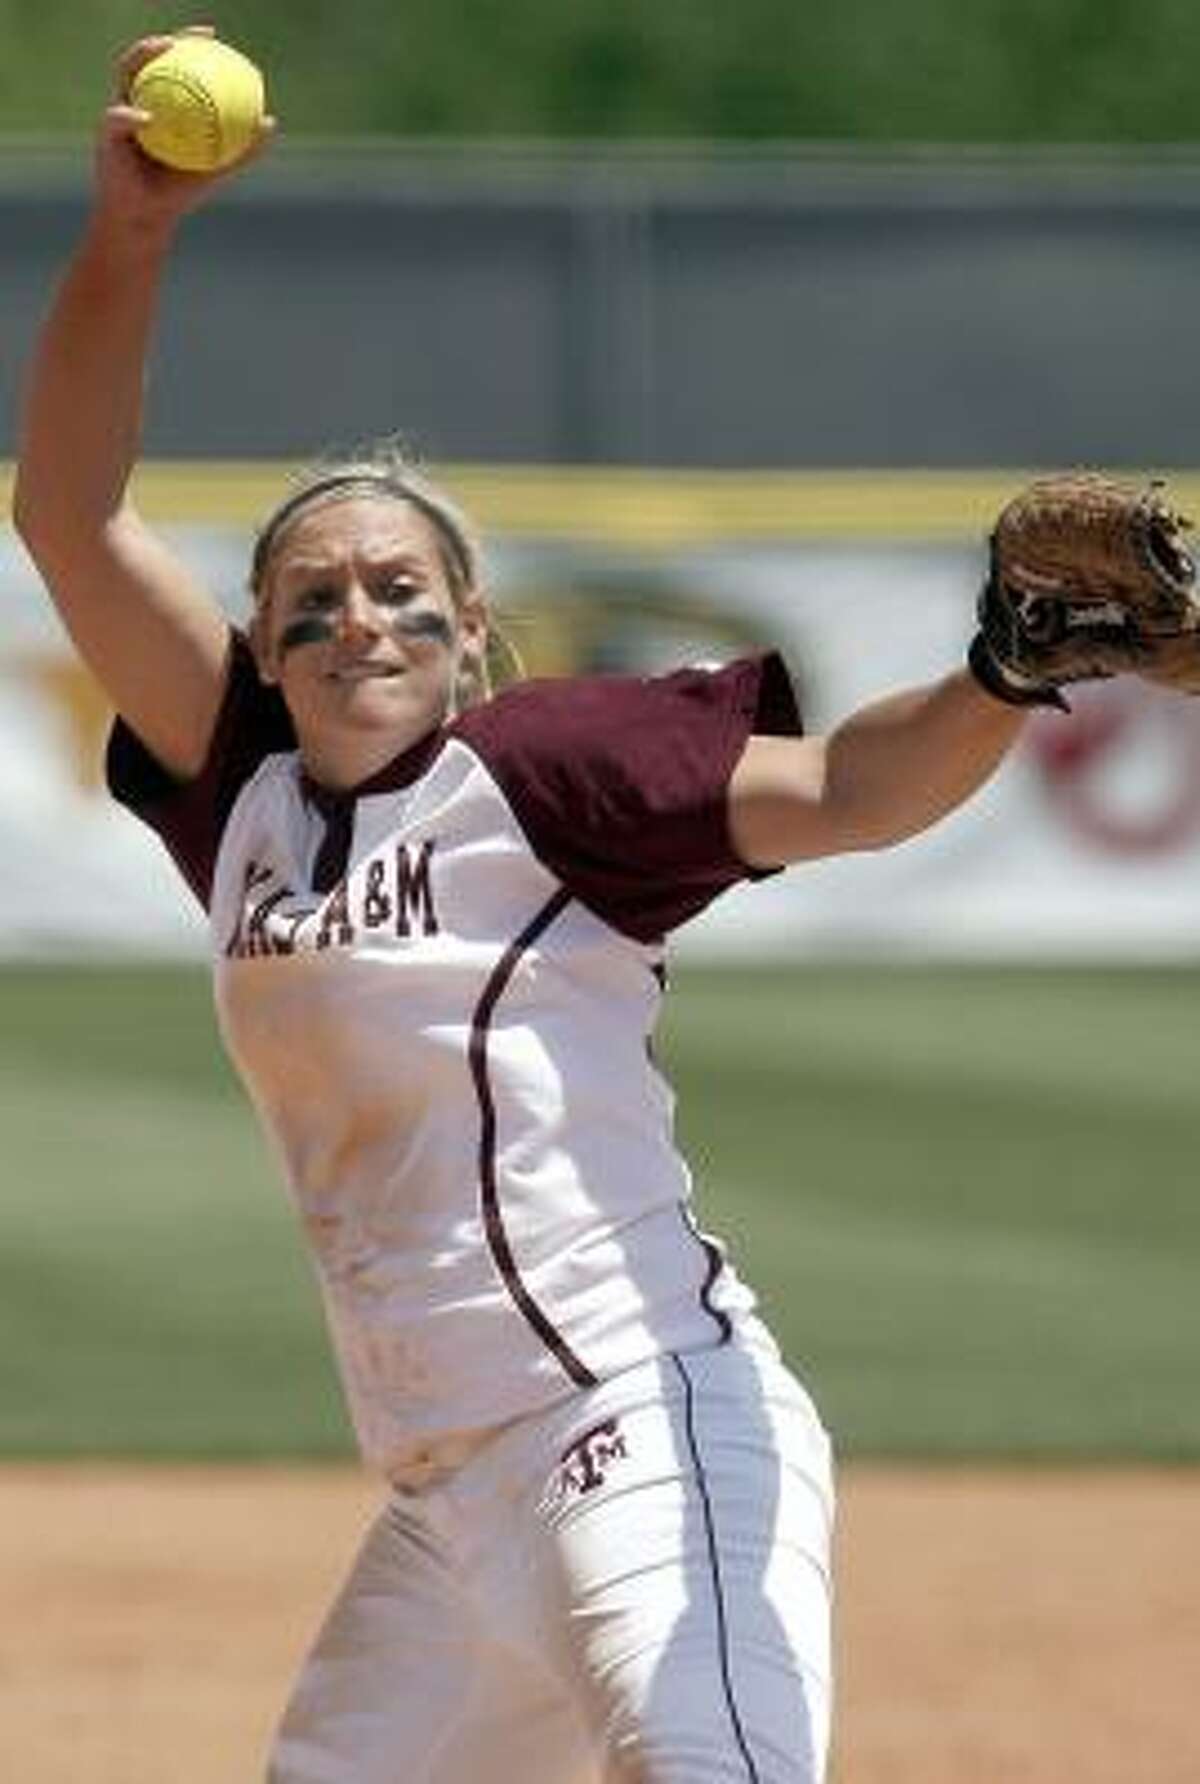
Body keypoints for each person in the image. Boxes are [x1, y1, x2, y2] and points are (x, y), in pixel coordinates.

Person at [12, 31, 1050, 1784]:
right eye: (313, 597)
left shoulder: (551, 771)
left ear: (473, 625)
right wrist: (132, 234)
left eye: (400, 586)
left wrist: (1000, 675)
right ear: (263, 644)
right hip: (445, 1509)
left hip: (637, 1426)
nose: (359, 617)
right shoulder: (242, 792)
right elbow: (67, 513)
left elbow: (855, 793)